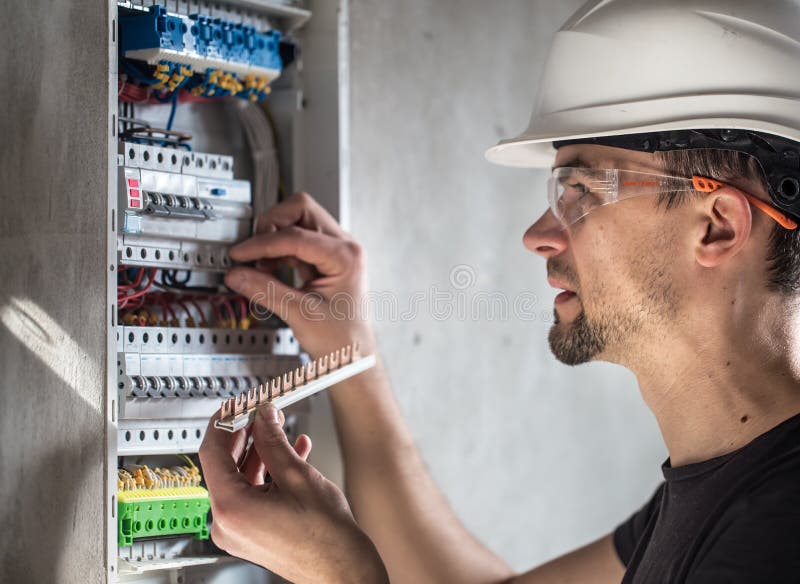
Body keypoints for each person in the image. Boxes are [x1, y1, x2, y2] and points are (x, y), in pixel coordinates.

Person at [199, 0, 800, 581]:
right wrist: (353, 356)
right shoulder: (717, 495)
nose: (537, 236)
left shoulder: (775, 537)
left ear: (716, 224)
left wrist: (339, 577)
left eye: (581, 192)